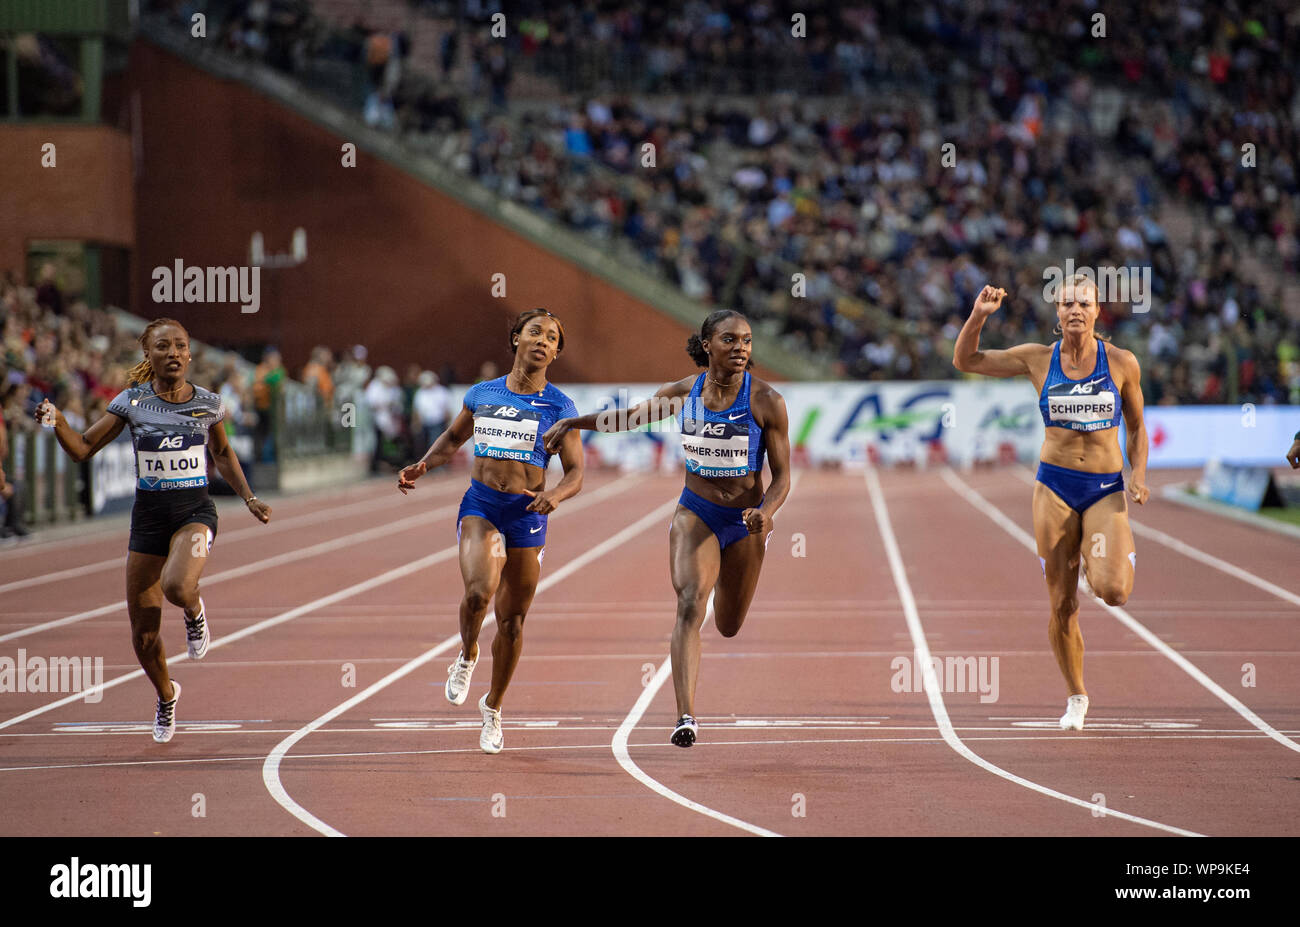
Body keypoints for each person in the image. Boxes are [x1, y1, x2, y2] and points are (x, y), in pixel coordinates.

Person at [543, 309, 792, 747]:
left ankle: (724, 576)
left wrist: (767, 512)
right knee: (691, 604)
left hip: (746, 522)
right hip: (695, 512)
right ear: (708, 345)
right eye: (731, 340)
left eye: (748, 341)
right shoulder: (682, 393)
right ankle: (686, 716)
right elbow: (628, 418)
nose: (741, 349)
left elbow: (783, 476)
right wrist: (572, 422)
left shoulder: (766, 401)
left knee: (729, 624)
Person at [35, 318, 271, 743]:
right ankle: (166, 696)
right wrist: (58, 422)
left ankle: (195, 615)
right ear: (149, 354)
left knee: (178, 586)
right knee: (144, 636)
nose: (174, 353)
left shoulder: (208, 404)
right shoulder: (131, 403)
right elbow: (83, 448)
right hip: (147, 521)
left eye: (181, 346)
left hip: (193, 511)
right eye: (164, 346)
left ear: (190, 354)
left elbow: (222, 452)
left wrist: (250, 498)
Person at [953, 275, 1149, 731]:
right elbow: (965, 360)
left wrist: (1138, 475)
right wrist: (979, 316)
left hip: (1103, 489)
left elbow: (1138, 427)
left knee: (1114, 591)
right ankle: (1076, 695)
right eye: (1066, 304)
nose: (1075, 310)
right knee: (1061, 603)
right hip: (1054, 487)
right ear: (1057, 314)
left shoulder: (1121, 363)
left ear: (1098, 310)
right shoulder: (1038, 360)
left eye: (1083, 303)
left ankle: (1098, 559)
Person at [397, 309, 583, 754]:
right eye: (535, 331)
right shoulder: (483, 393)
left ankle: (493, 707)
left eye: (552, 337)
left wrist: (555, 495)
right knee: (480, 592)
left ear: (556, 352)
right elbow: (452, 439)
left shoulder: (560, 407)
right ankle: (467, 654)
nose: (542, 340)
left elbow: (576, 472)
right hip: (482, 504)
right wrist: (424, 463)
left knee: (513, 622)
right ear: (516, 337)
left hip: (527, 514)